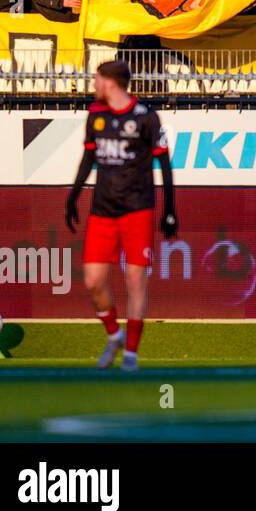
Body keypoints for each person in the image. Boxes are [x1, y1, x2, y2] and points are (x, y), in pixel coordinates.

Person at [64, 60, 178, 373]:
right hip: (102, 210)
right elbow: (89, 156)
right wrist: (73, 195)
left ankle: (130, 354)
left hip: (137, 209)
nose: (93, 84)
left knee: (135, 280)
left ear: (110, 83)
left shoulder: (147, 118)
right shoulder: (95, 114)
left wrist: (169, 210)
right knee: (93, 281)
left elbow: (164, 166)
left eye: (96, 79)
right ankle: (114, 334)